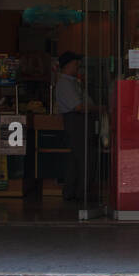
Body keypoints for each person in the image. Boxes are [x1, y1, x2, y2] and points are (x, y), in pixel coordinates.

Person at [53, 52, 85, 201]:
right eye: (75, 63)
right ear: (67, 65)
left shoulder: (73, 82)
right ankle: (76, 192)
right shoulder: (65, 84)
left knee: (76, 158)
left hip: (77, 121)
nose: (78, 66)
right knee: (80, 158)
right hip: (74, 122)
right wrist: (98, 108)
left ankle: (73, 192)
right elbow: (77, 106)